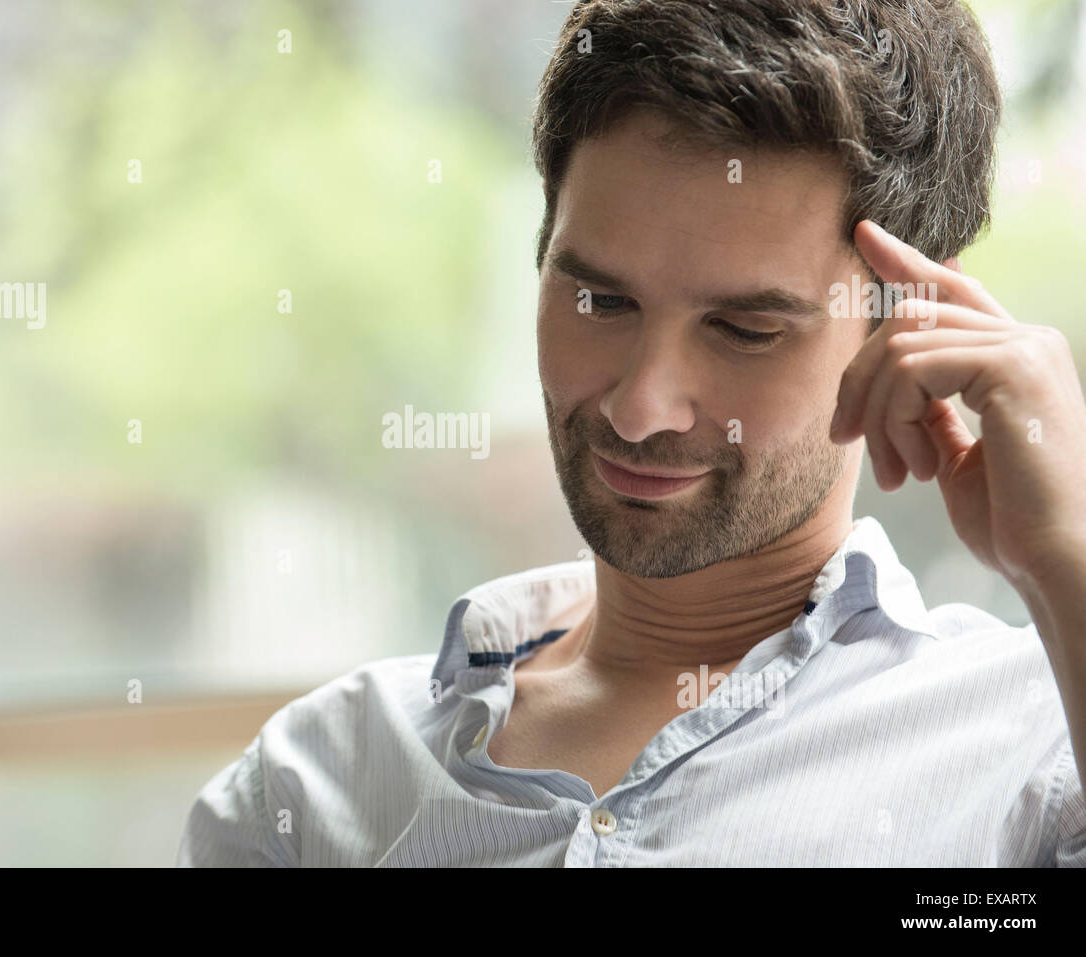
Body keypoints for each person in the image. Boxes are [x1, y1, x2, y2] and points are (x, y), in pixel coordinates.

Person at [178, 0, 1086, 866]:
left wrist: (1068, 560)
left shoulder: (1036, 749)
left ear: (907, 323)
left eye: (745, 329)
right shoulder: (318, 782)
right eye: (600, 299)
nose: (639, 407)